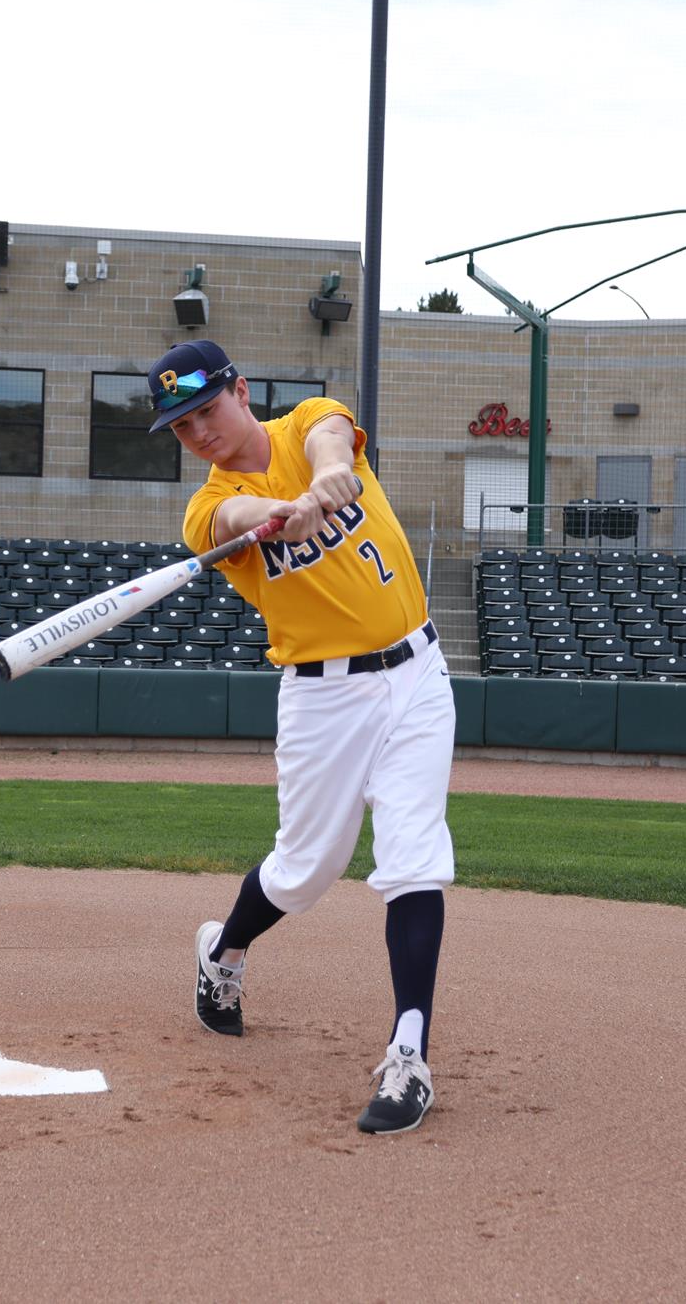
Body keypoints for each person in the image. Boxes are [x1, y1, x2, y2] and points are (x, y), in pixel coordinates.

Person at [146, 338, 456, 1135]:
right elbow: (237, 515)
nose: (200, 433)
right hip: (323, 697)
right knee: (304, 871)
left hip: (417, 672)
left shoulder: (309, 422)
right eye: (182, 427)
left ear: (241, 391)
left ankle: (408, 1053)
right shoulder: (204, 514)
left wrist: (324, 479)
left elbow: (327, 441)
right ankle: (223, 952)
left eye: (207, 410)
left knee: (413, 853)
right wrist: (273, 515)